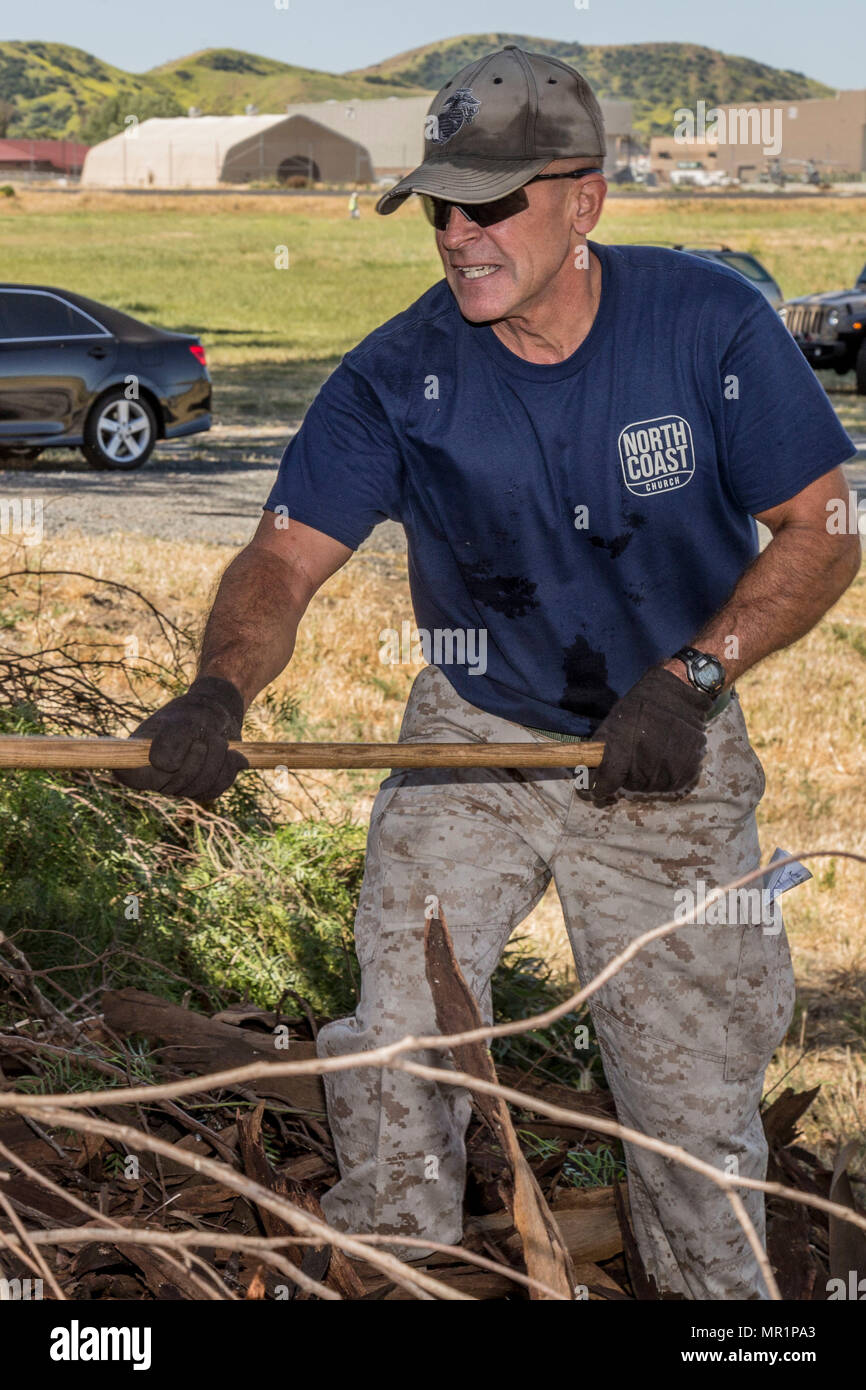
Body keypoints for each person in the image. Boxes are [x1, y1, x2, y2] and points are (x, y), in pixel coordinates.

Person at [116, 45, 860, 1298]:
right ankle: (395, 1270)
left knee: (683, 1103)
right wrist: (217, 692)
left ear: (585, 198)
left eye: (493, 202)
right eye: (441, 205)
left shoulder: (706, 323)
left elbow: (822, 528)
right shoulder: (393, 378)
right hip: (472, 732)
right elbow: (280, 565)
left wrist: (691, 678)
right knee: (395, 1043)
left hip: (668, 735)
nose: (458, 233)